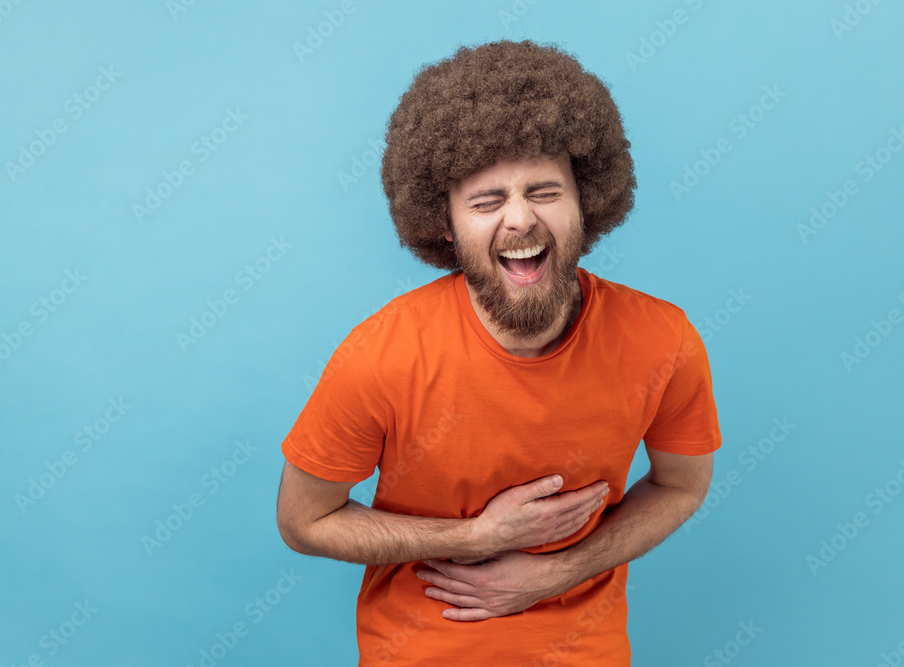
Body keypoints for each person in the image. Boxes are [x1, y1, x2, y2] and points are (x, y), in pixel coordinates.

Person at [277, 39, 721, 665]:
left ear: (585, 201)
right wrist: (477, 536)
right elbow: (303, 521)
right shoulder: (382, 355)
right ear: (446, 224)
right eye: (486, 202)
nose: (519, 221)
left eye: (543, 192)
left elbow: (680, 487)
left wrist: (558, 571)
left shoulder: (663, 340)